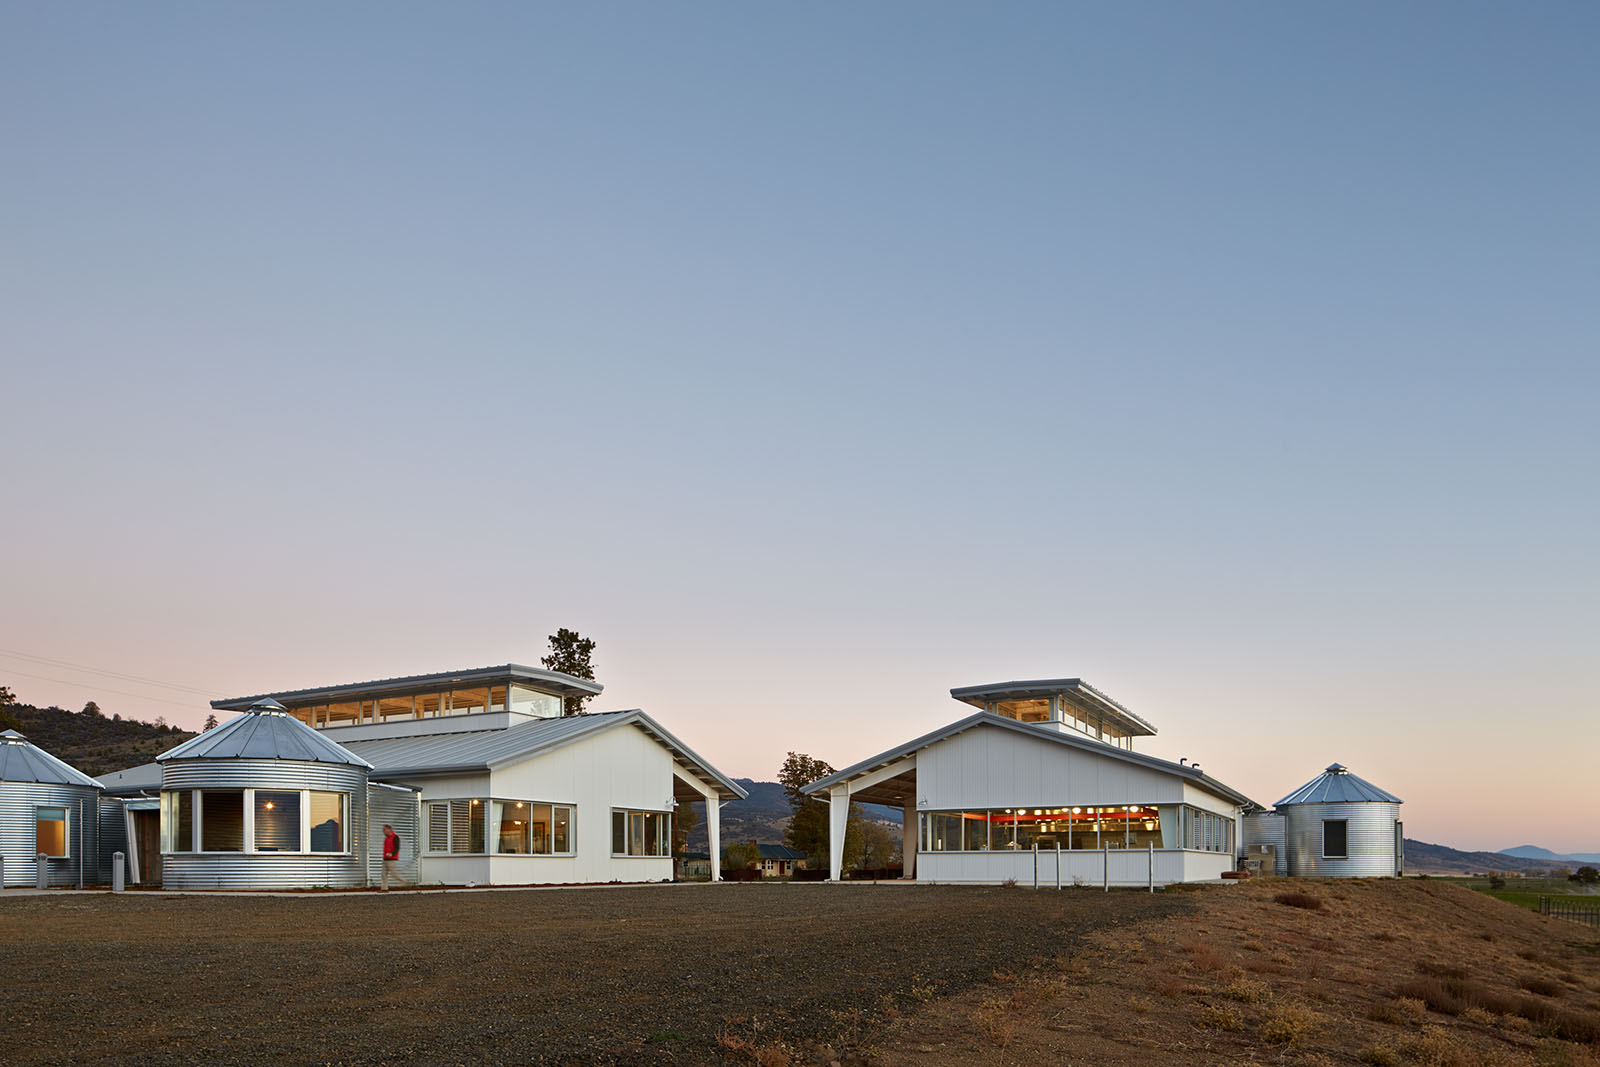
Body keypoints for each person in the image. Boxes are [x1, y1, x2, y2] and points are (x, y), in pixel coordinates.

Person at [381, 823, 410, 890]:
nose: (383, 831)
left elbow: (397, 848)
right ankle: (384, 888)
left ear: (389, 829)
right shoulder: (386, 838)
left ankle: (404, 882)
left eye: (384, 829)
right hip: (385, 859)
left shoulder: (395, 837)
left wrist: (392, 854)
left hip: (392, 859)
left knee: (393, 874)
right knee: (383, 874)